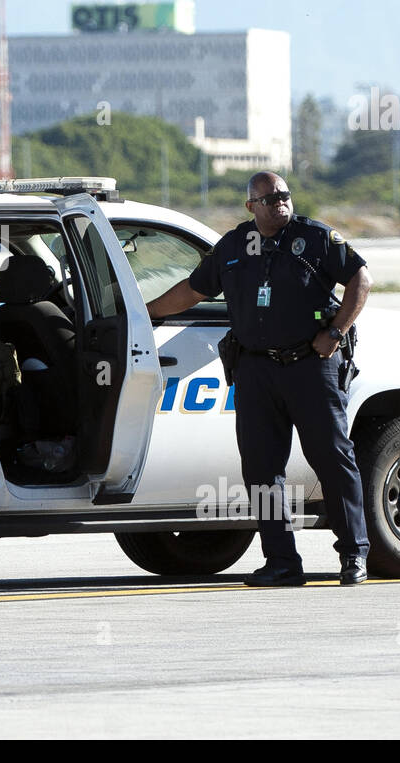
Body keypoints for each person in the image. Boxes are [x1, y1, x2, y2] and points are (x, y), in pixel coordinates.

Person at [146, 172, 373, 587]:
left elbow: (361, 278)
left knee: (333, 460)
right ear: (251, 206)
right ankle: (282, 561)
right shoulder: (233, 246)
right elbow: (192, 291)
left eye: (284, 195)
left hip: (310, 366)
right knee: (262, 471)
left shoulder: (316, 239)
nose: (279, 203)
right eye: (269, 199)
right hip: (255, 370)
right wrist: (146, 313)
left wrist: (335, 332)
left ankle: (354, 554)